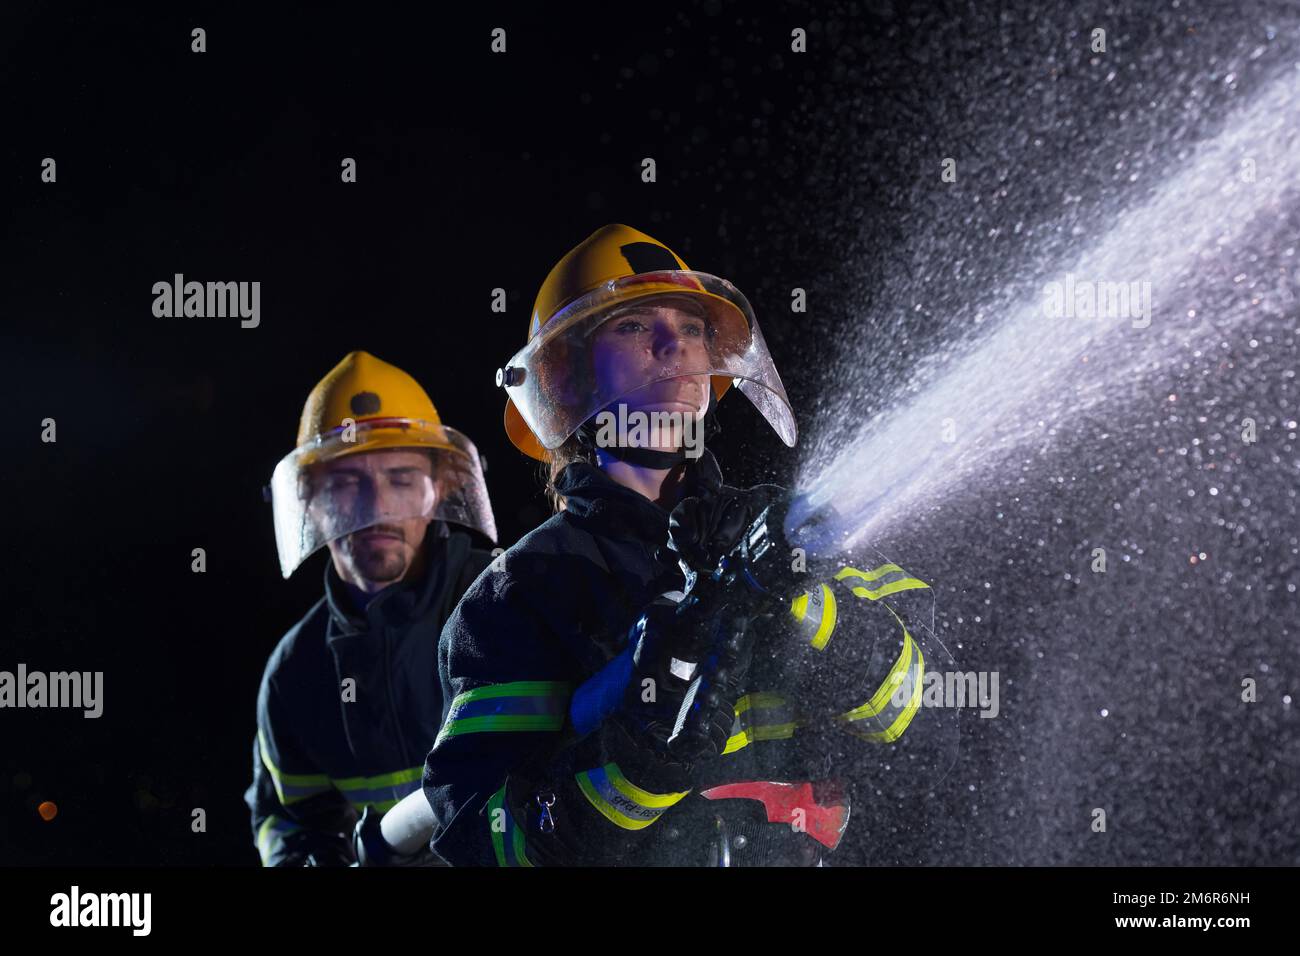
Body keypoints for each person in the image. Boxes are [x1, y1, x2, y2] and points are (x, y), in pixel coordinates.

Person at [423, 224, 953, 866]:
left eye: (694, 327)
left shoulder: (794, 530)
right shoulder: (516, 598)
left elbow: (928, 722)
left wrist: (798, 600)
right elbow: (493, 845)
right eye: (636, 326)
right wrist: (641, 761)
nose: (676, 345)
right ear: (567, 372)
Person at [245, 350, 498, 866]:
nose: (377, 505)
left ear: (441, 489)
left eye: (401, 480)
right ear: (311, 502)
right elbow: (289, 823)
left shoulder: (504, 600)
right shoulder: (296, 673)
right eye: (346, 484)